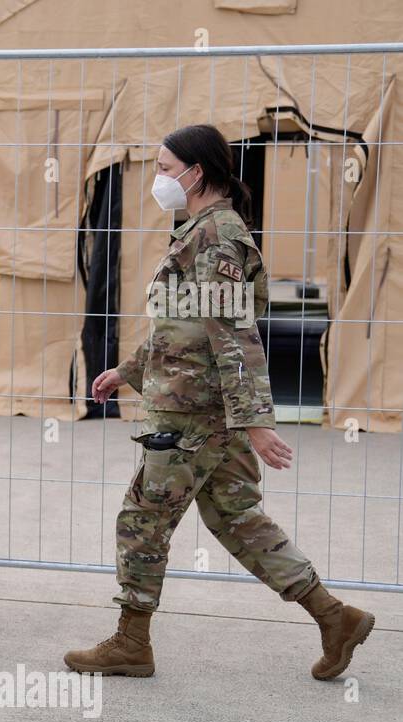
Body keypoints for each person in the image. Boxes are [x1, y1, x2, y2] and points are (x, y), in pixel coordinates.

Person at [67, 123, 374, 680]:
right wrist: (128, 371)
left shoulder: (217, 237)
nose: (158, 180)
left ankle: (131, 643)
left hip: (193, 416)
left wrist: (255, 421)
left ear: (195, 172)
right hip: (205, 409)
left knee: (142, 518)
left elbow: (232, 332)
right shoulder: (199, 230)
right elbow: (179, 325)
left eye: (164, 169)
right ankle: (335, 617)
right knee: (237, 518)